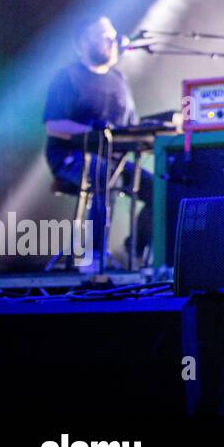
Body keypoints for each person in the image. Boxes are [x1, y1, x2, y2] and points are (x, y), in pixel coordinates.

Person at [42, 16, 146, 263]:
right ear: (83, 41)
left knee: (163, 186)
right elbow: (54, 126)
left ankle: (138, 252)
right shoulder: (66, 77)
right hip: (70, 157)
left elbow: (131, 126)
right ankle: (94, 256)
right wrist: (91, 133)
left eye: (113, 35)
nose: (112, 40)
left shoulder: (119, 80)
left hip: (112, 160)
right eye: (103, 36)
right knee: (102, 173)